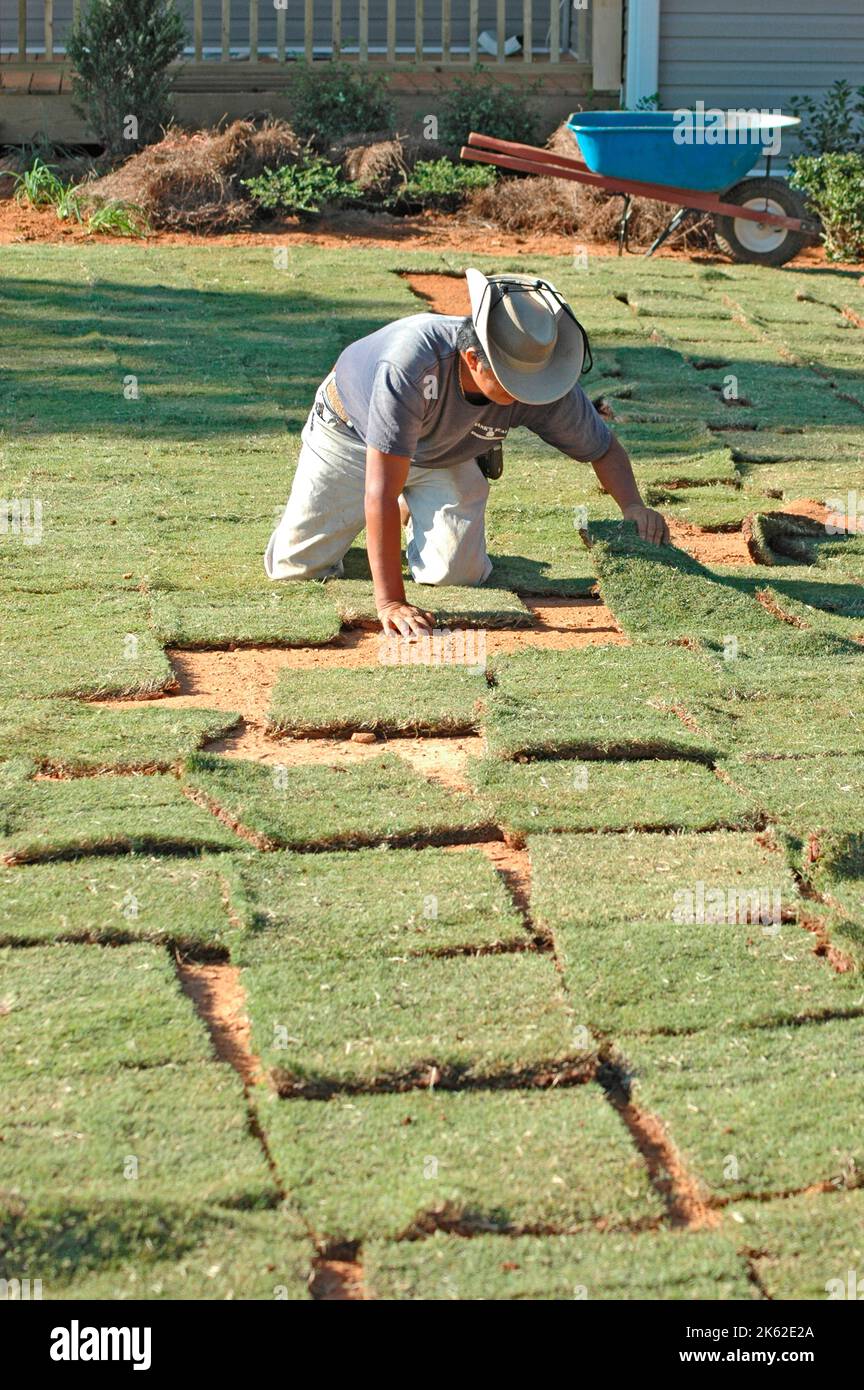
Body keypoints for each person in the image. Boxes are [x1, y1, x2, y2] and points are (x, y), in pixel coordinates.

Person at [265, 268, 670, 636]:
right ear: (474, 359)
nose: (526, 393)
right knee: (295, 568)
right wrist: (390, 601)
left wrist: (633, 506)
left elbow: (602, 448)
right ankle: (383, 515)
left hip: (448, 451)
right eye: (512, 381)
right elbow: (381, 490)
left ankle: (412, 510)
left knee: (456, 575)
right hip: (353, 434)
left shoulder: (540, 377)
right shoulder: (409, 366)